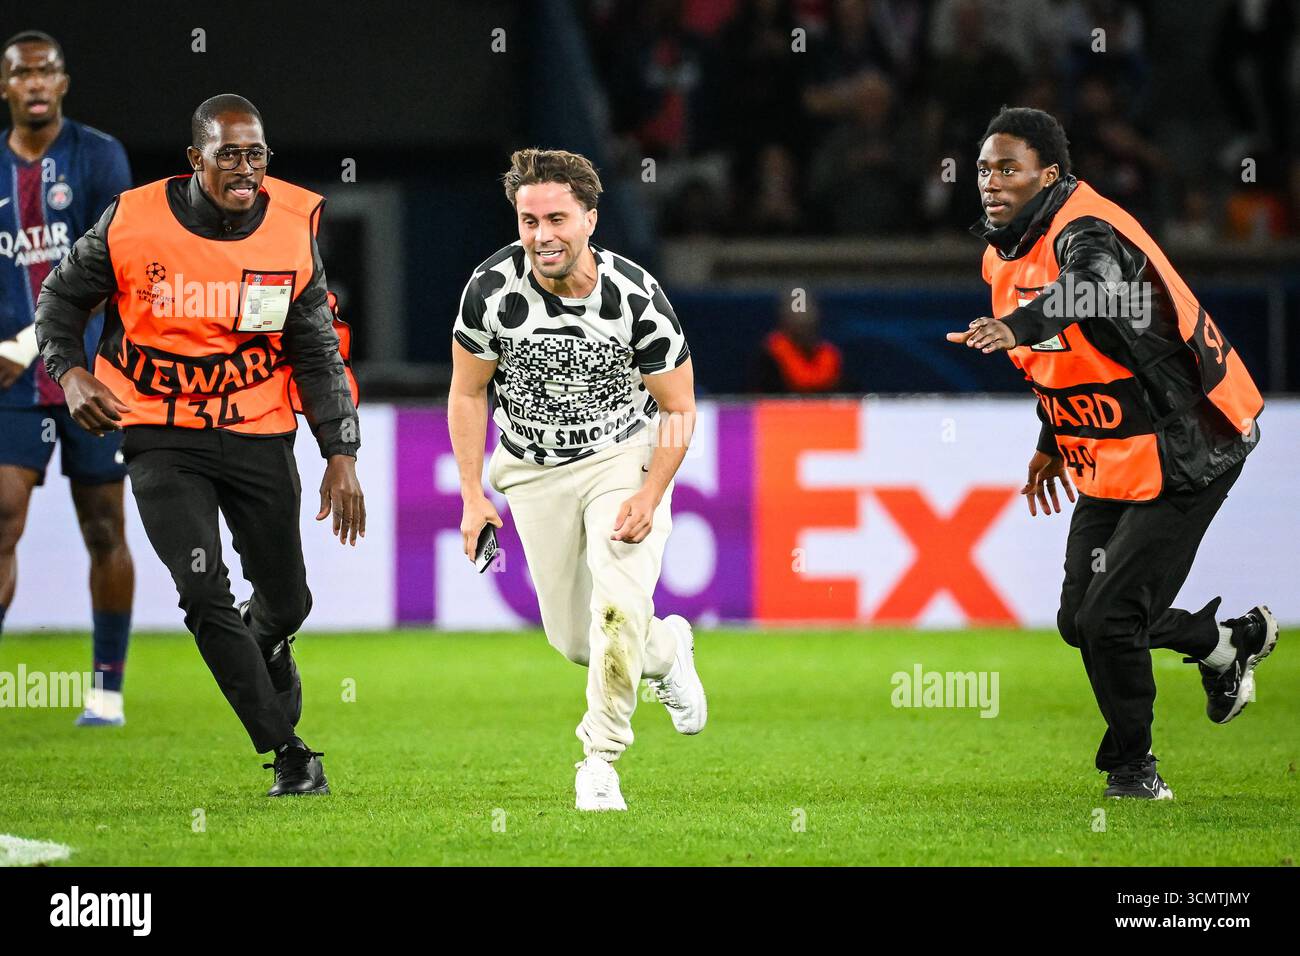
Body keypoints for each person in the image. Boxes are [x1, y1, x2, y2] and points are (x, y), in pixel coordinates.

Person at [35, 93, 364, 797]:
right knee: (201, 586)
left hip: (255, 428)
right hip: (159, 431)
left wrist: (341, 452)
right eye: (229, 154)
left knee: (288, 600)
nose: (246, 169)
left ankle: (266, 637)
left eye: (256, 155)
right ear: (196, 159)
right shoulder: (132, 221)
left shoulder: (291, 224)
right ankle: (289, 753)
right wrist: (70, 374)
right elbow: (59, 302)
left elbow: (314, 353)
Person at [948, 107, 1277, 800]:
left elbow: (1089, 292)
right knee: (1081, 622)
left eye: (1009, 167)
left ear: (1052, 175)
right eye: (984, 168)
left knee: (1108, 619)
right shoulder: (1005, 252)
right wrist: (1049, 442)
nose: (991, 181)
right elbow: (1065, 357)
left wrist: (1013, 327)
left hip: (1192, 441)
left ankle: (1134, 770)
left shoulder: (1089, 232)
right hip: (1112, 452)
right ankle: (1223, 644)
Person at [448, 148, 706, 812]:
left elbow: (678, 408)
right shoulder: (491, 290)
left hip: (624, 459)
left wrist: (650, 492)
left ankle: (600, 761)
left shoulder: (635, 297)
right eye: (528, 221)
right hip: (532, 471)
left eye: (557, 219)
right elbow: (468, 394)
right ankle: (668, 647)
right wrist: (474, 494)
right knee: (575, 640)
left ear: (590, 218)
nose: (541, 236)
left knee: (616, 605)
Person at [0, 30, 135, 726]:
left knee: (105, 527)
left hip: (90, 376)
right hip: (10, 390)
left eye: (45, 71)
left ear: (62, 81)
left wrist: (28, 341)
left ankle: (106, 692)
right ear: (5, 86)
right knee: (1, 519)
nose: (34, 83)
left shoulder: (98, 157)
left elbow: (117, 270)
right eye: (21, 73)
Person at [747, 293, 843, 393]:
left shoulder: (829, 356)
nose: (803, 320)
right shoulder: (768, 358)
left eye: (808, 310)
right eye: (795, 311)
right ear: (783, 318)